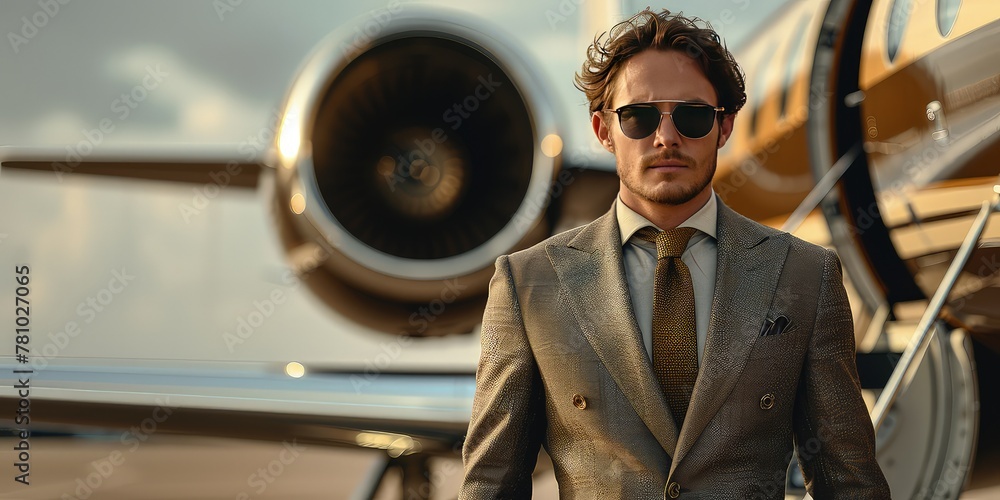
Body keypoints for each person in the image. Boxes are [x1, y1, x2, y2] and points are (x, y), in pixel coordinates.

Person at [459, 8, 890, 499]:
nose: (667, 137)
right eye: (639, 117)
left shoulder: (806, 276)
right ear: (603, 131)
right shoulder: (528, 283)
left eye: (692, 115)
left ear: (723, 128)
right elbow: (490, 484)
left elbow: (849, 482)